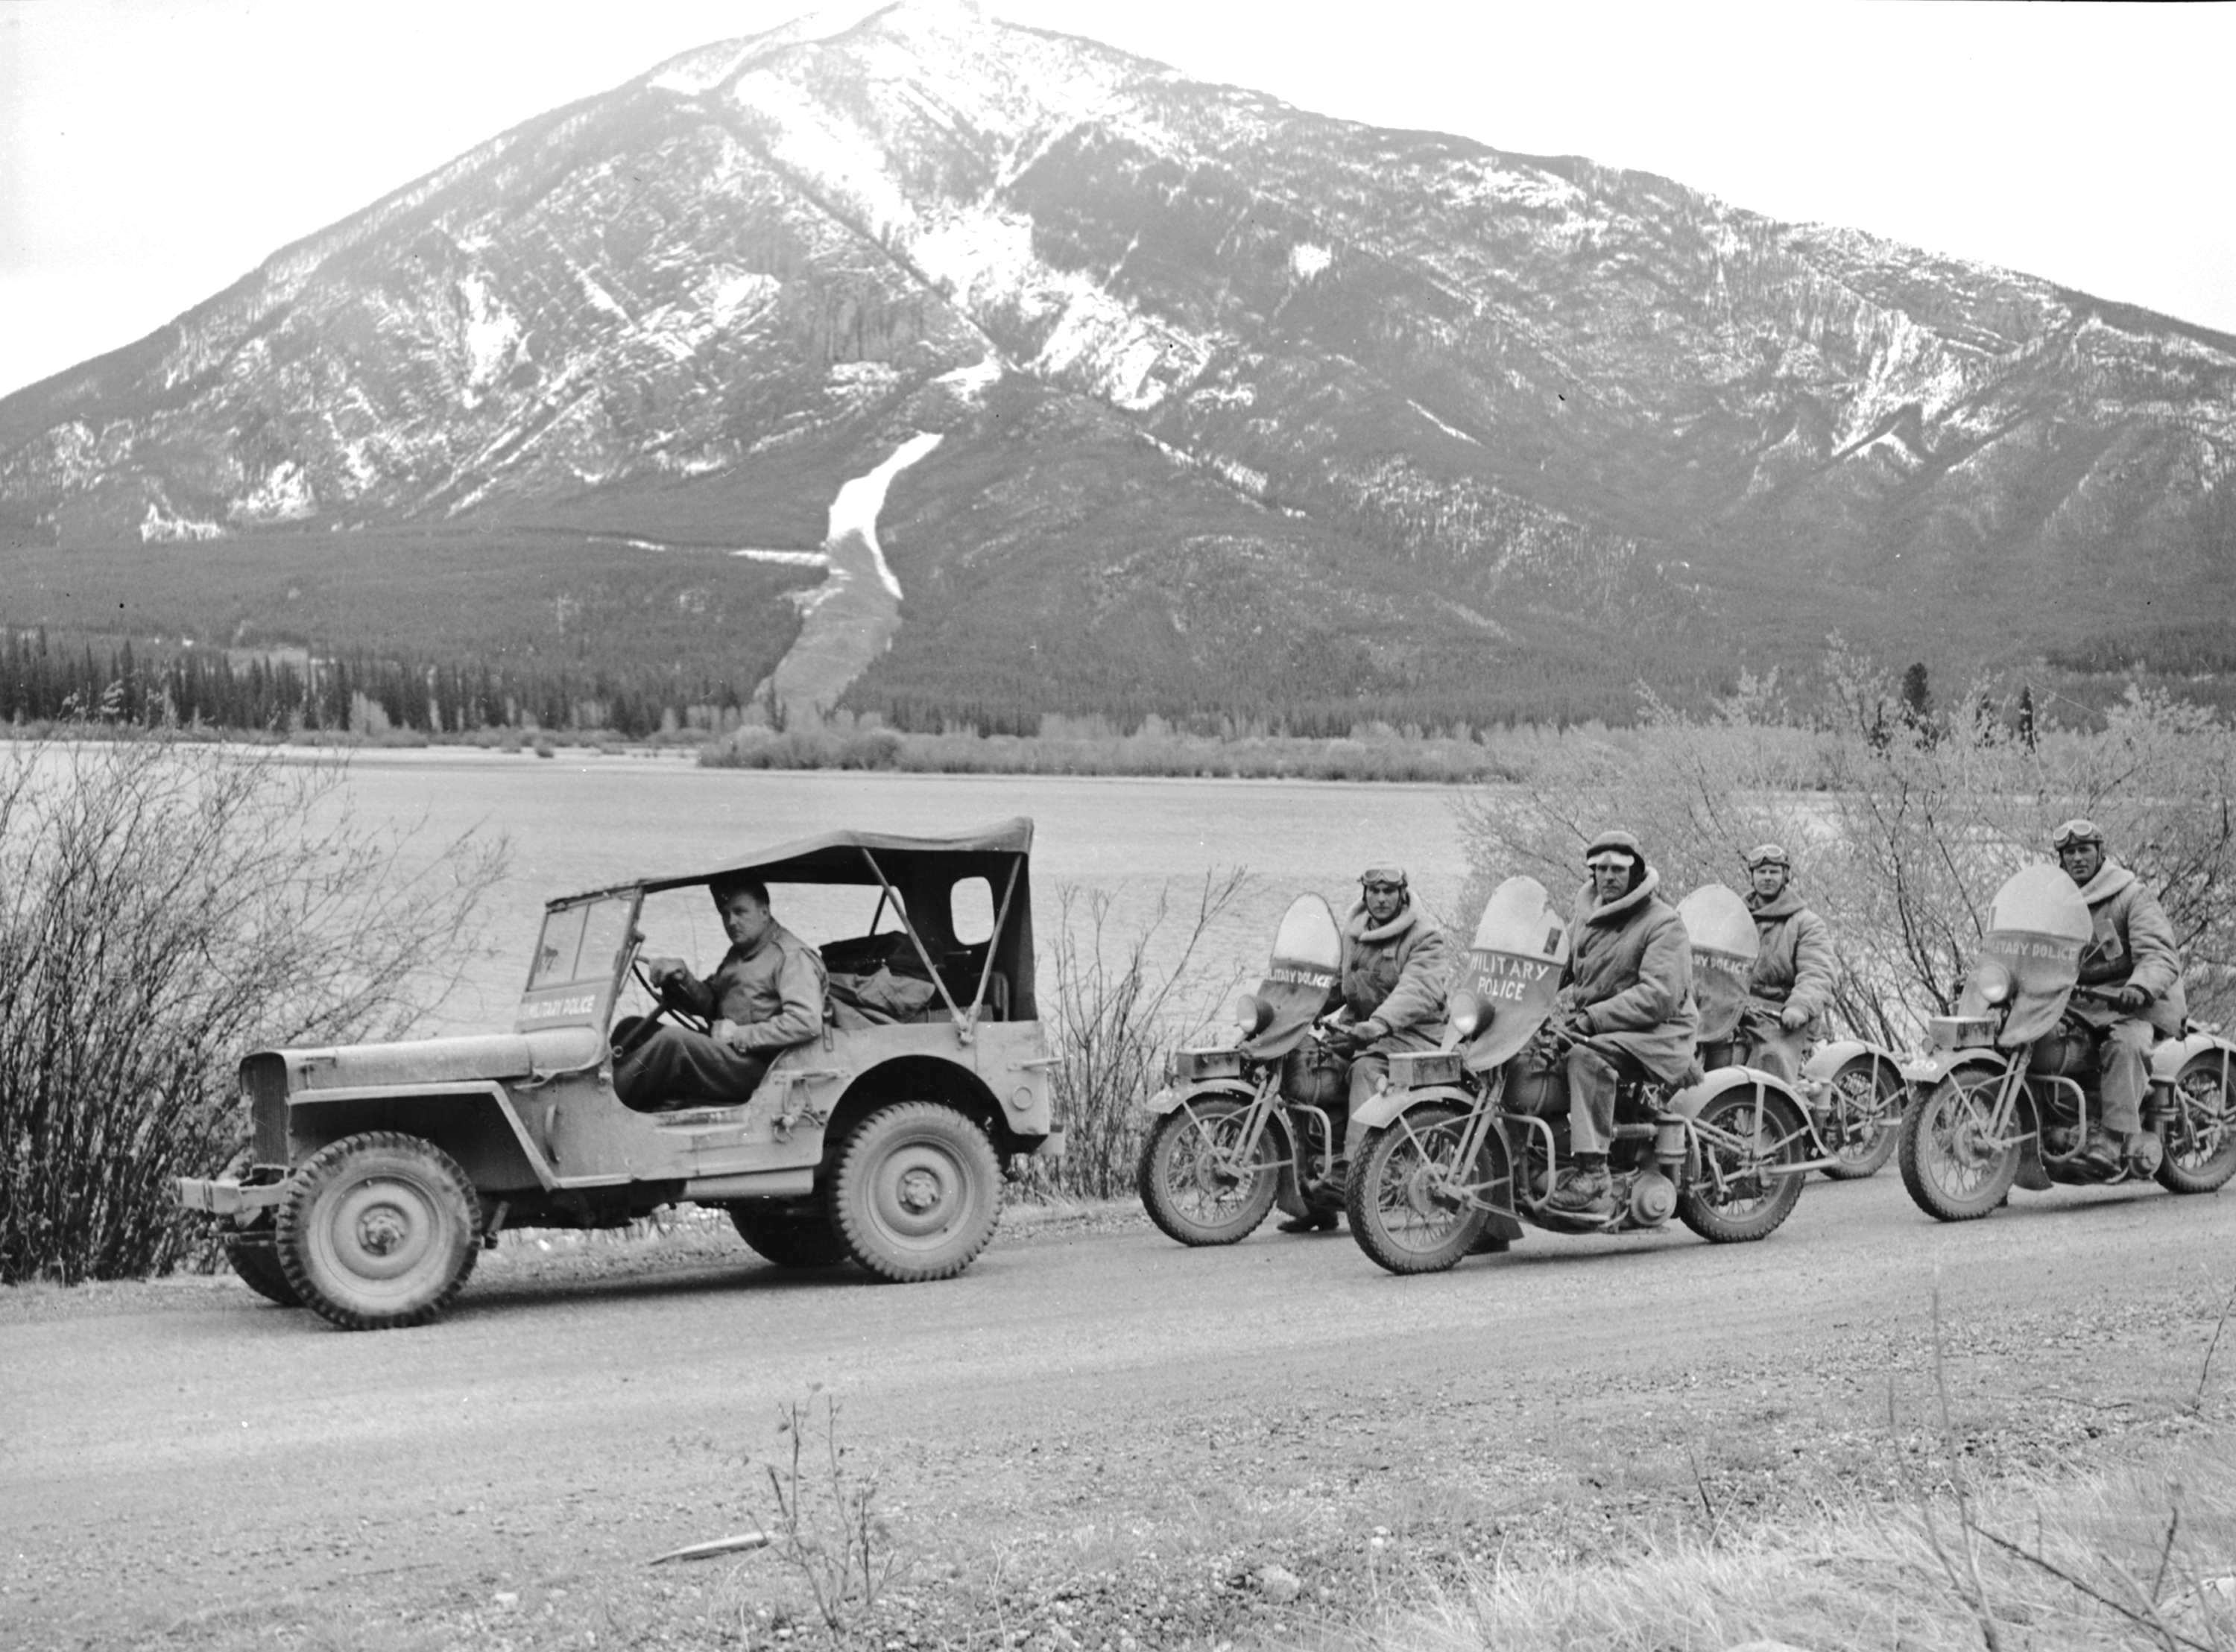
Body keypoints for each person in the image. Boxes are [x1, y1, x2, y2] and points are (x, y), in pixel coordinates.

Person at [1280, 864, 1452, 1232]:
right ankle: (1311, 1195)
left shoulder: (1425, 936)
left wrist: (1377, 1026)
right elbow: (1340, 986)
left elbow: (1418, 991)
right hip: (1360, 1029)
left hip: (1413, 1034)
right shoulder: (1356, 930)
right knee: (1306, 1064)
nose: (1381, 898)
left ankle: (1352, 1173)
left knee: (1365, 1068)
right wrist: (1295, 1010)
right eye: (1374, 892)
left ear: (1403, 893)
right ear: (1365, 894)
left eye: (1389, 892)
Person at [1538, 829, 1699, 1218]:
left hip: (1656, 1034)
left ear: (1636, 871)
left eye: (1618, 869)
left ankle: (1593, 1170)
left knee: (1583, 1060)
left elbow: (1658, 996)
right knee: (1533, 1054)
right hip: (1603, 1028)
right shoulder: (1587, 916)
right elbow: (1556, 963)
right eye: (1600, 869)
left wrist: (1592, 1019)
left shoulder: (1663, 923)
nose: (1608, 877)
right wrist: (1522, 990)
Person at [614, 876, 828, 1111]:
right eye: (725, 914)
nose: (731, 922)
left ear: (764, 912)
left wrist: (739, 1035)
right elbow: (713, 1002)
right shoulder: (740, 952)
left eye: (740, 912)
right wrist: (682, 977)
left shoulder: (791, 957)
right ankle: (622, 1093)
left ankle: (605, 1107)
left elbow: (806, 1021)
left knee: (673, 1042)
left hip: (762, 1070)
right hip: (730, 1057)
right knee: (631, 1028)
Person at [2050, 817, 2187, 1174]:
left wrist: (2139, 987)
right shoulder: (2055, 902)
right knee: (2035, 1038)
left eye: (2084, 850)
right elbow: (2034, 950)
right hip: (2079, 1004)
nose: (2077, 858)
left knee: (2126, 1046)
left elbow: (2159, 954)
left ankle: (2112, 1139)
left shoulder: (2130, 895)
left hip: (2133, 1005)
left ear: (2100, 853)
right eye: (2070, 853)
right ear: (2061, 861)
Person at [1735, 843, 1837, 1083]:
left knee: (1770, 1058)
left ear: (1785, 876)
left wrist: (1800, 1006)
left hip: (1781, 1016)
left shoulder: (1806, 923)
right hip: (1735, 1010)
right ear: (1752, 877)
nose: (1767, 877)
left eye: (1774, 872)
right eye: (1761, 872)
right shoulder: (1736, 916)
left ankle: (1774, 1117)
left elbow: (1817, 971)